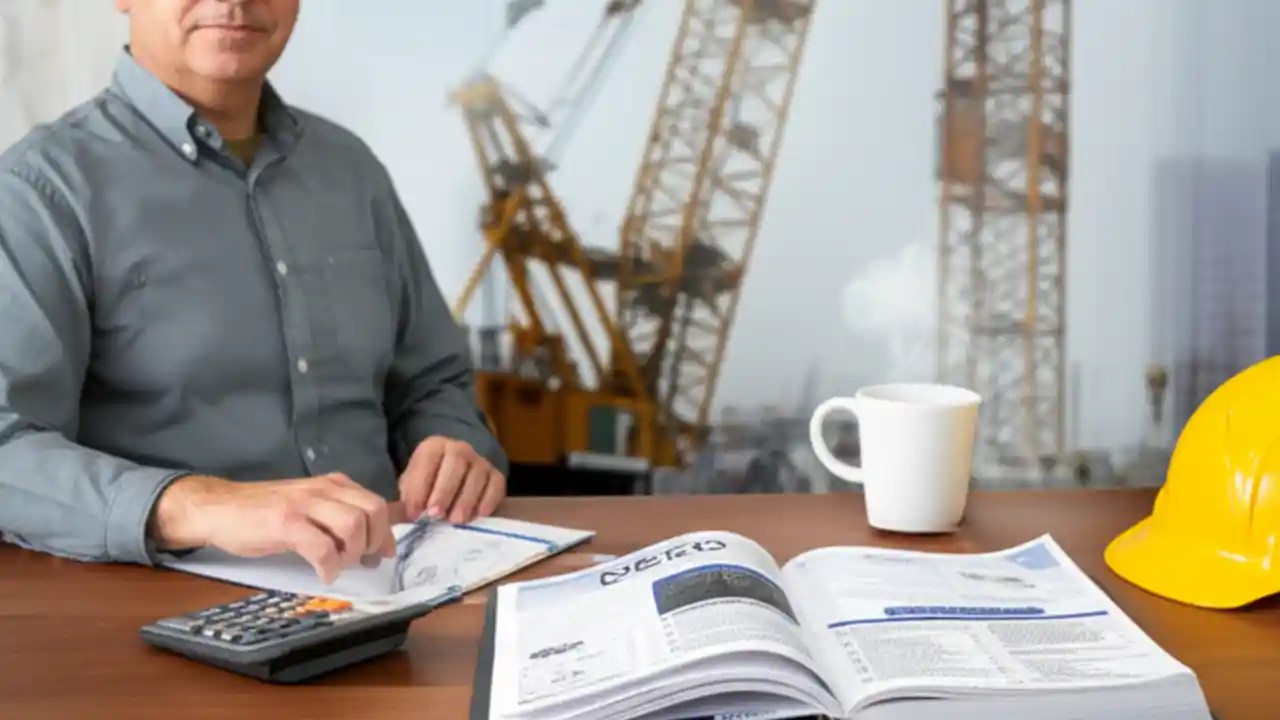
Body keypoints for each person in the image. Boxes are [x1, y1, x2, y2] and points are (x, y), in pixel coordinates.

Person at [0, 0, 508, 584]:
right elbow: (7, 445)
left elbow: (434, 383)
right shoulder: (41, 191)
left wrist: (451, 446)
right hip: (162, 607)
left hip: (397, 585)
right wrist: (202, 504)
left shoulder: (351, 171)